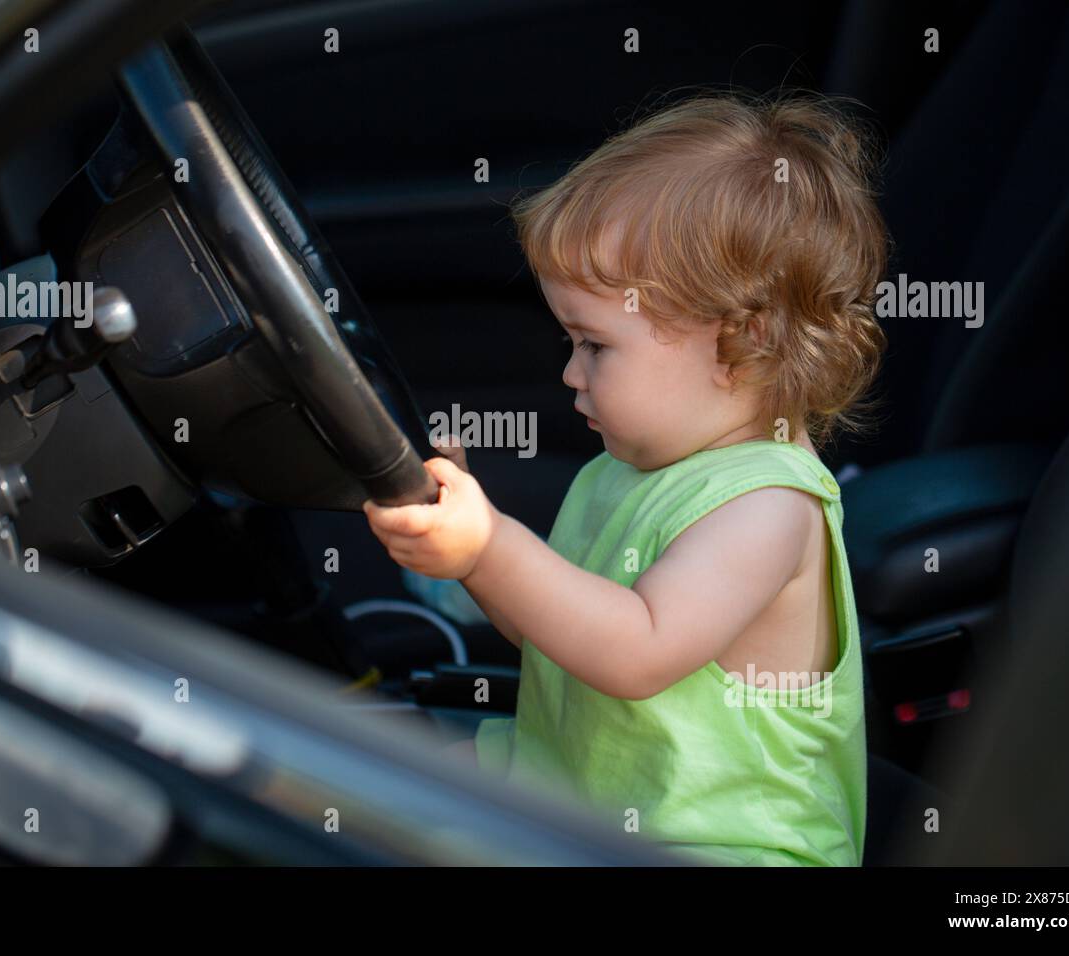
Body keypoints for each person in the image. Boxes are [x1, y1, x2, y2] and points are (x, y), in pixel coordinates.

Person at [363, 89, 889, 866]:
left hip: (712, 845)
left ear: (737, 342)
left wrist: (488, 549)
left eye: (595, 346)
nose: (570, 373)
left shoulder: (768, 507)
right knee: (344, 791)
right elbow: (558, 635)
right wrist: (463, 555)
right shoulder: (625, 470)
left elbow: (634, 653)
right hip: (571, 799)